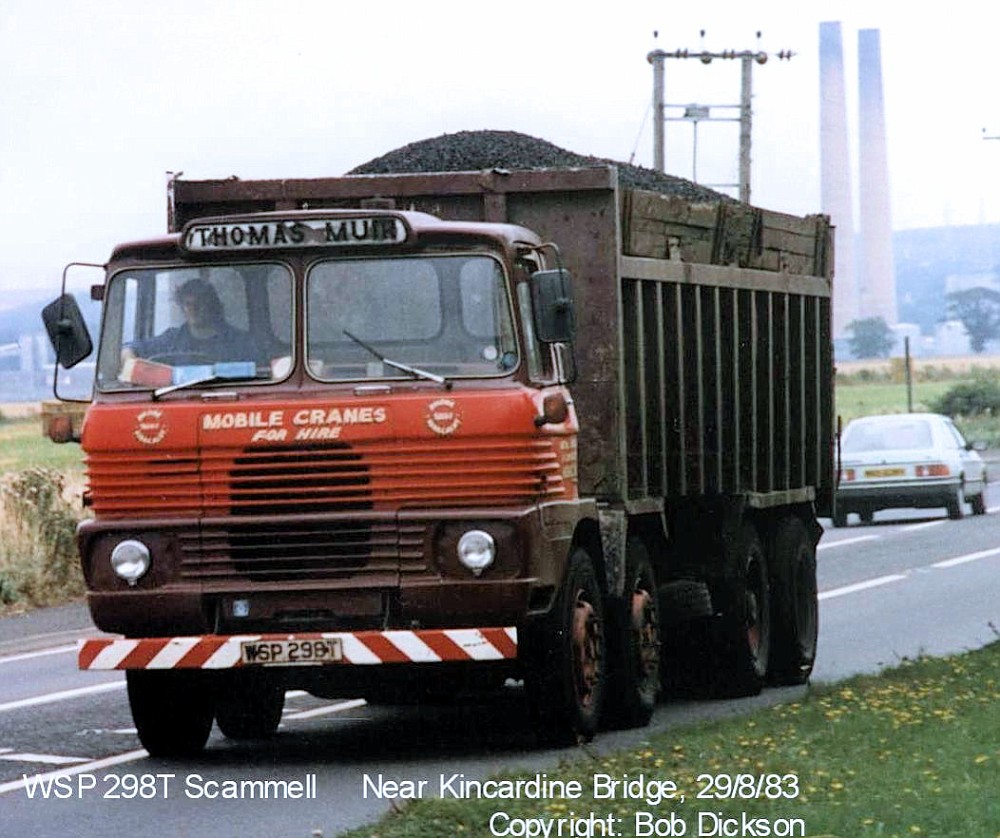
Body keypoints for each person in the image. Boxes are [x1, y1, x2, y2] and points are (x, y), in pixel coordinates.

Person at [122, 278, 258, 365]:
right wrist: (132, 364)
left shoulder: (240, 342)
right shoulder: (171, 339)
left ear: (212, 305)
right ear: (182, 307)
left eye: (200, 303)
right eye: (188, 304)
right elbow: (129, 350)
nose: (193, 309)